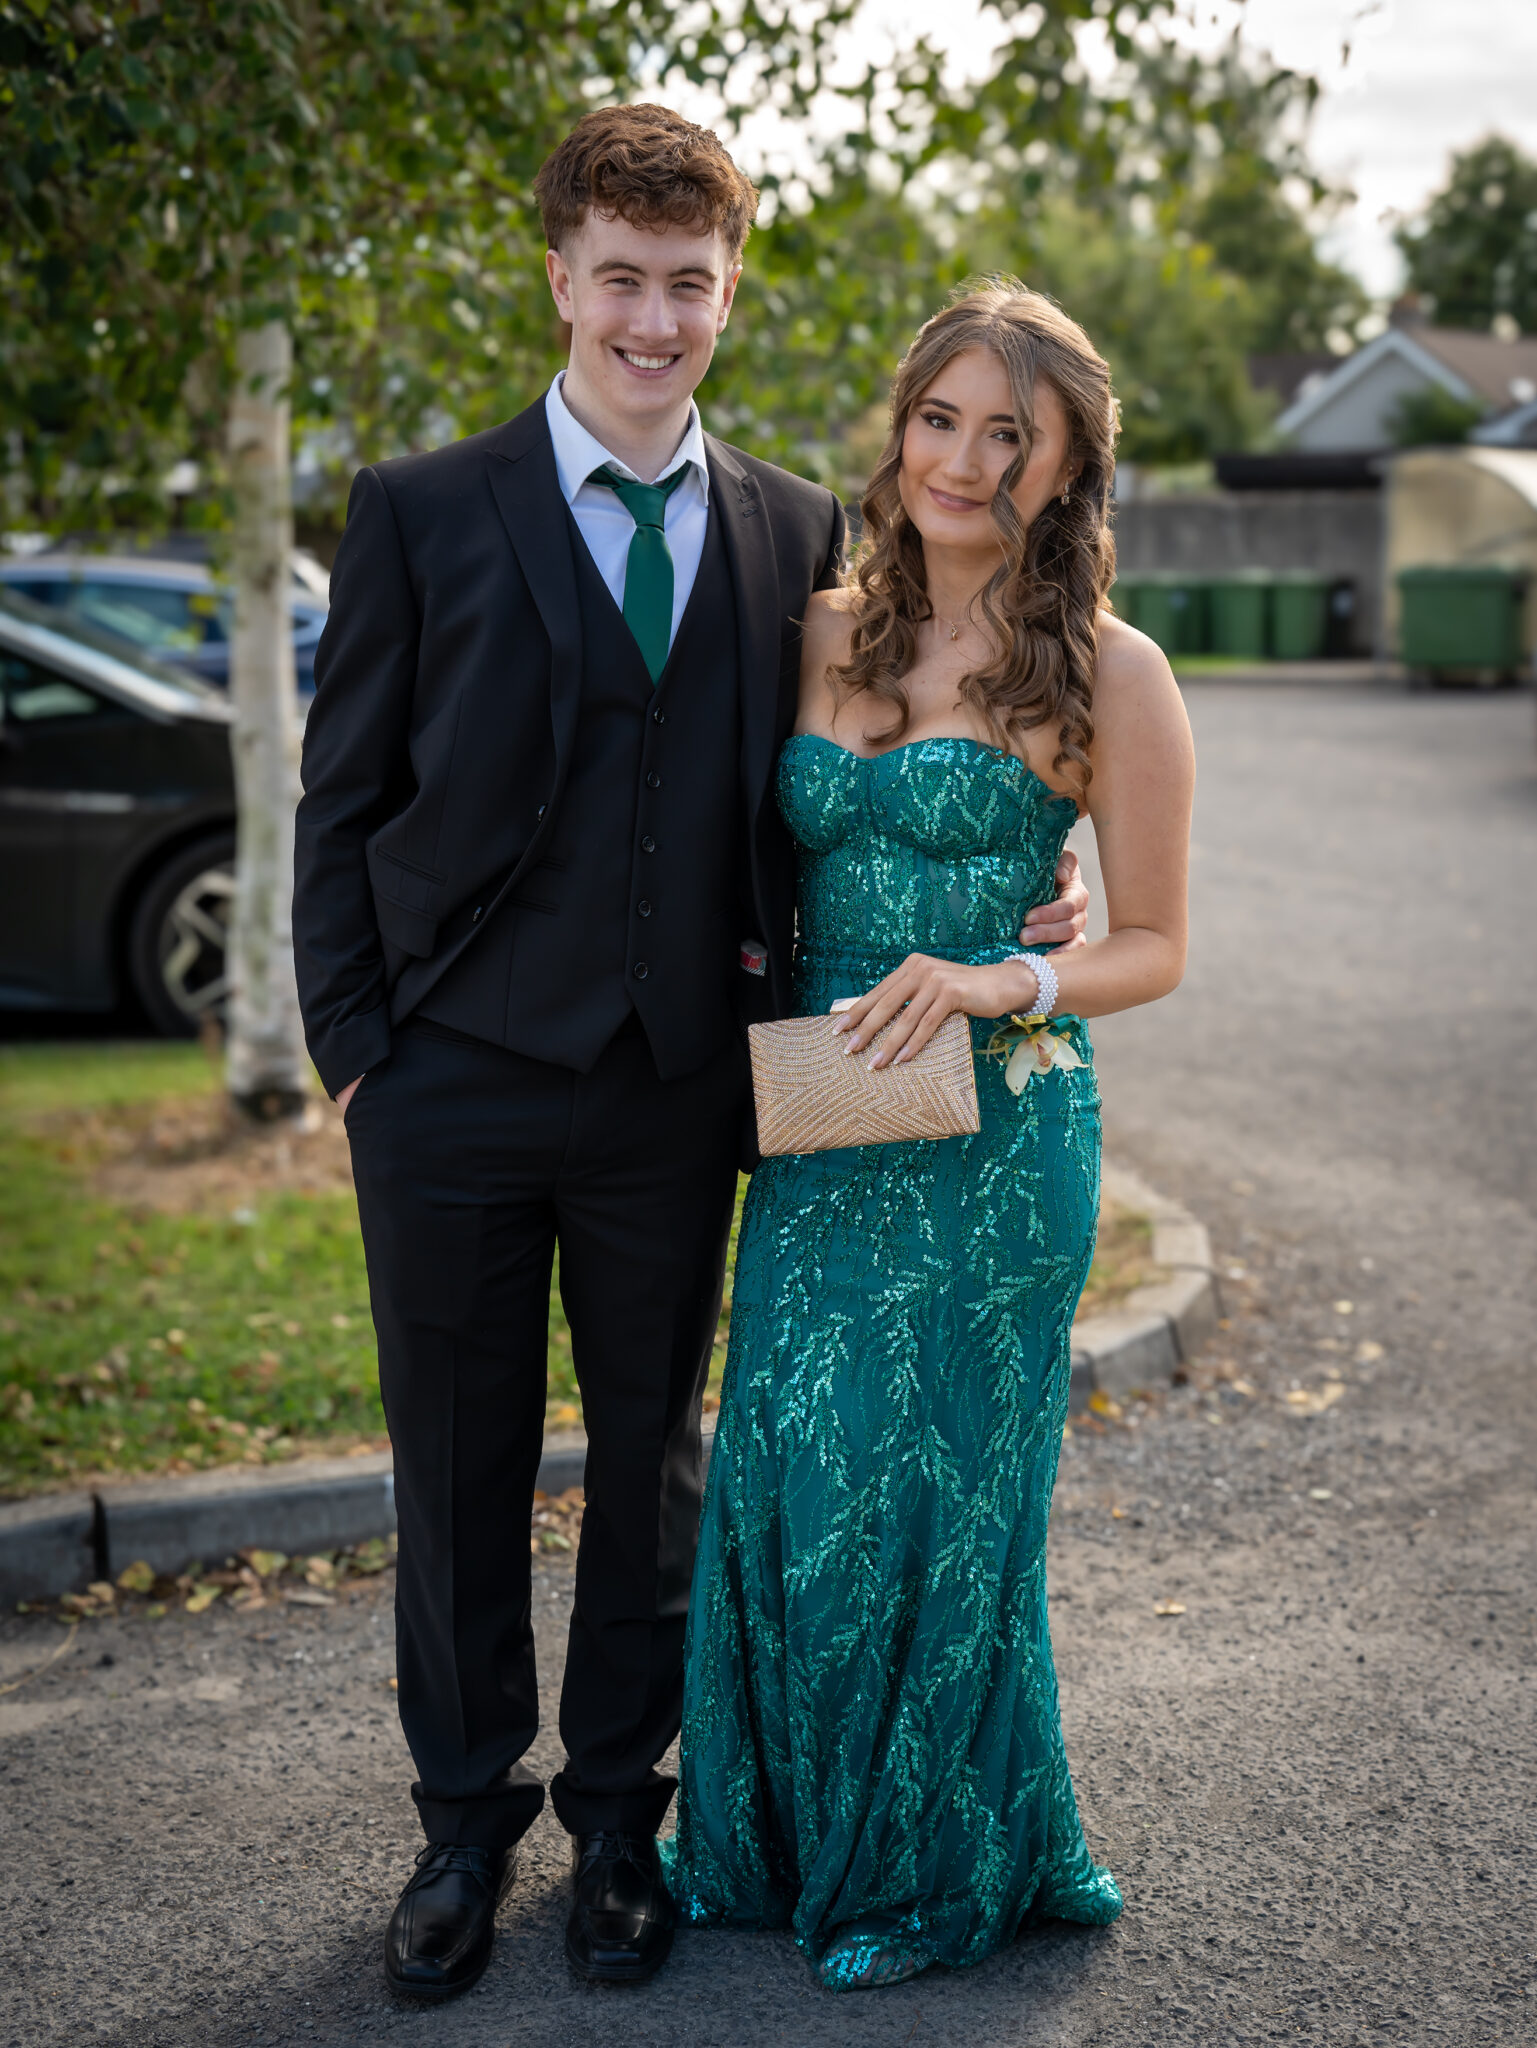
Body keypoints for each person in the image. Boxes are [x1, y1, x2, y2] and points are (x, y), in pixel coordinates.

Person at [292, 110, 1090, 2000]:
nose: (655, 319)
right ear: (561, 279)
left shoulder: (797, 534)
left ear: (727, 295)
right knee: (458, 1468)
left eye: (691, 285)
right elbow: (342, 802)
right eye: (623, 280)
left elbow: (864, 779)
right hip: (448, 1082)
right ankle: (461, 1829)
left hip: (681, 1092)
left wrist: (1015, 902)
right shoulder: (419, 508)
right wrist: (353, 1055)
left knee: (652, 1467)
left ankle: (619, 1832)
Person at [664, 281, 1195, 1990]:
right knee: (797, 1458)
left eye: (1010, 436)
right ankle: (767, 1837)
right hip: (825, 1121)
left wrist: (1000, 978)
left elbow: (1153, 944)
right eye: (941, 418)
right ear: (898, 428)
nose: (965, 460)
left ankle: (928, 1870)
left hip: (993, 1145)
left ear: (1065, 471)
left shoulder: (1114, 670)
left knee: (951, 1494)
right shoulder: (814, 632)